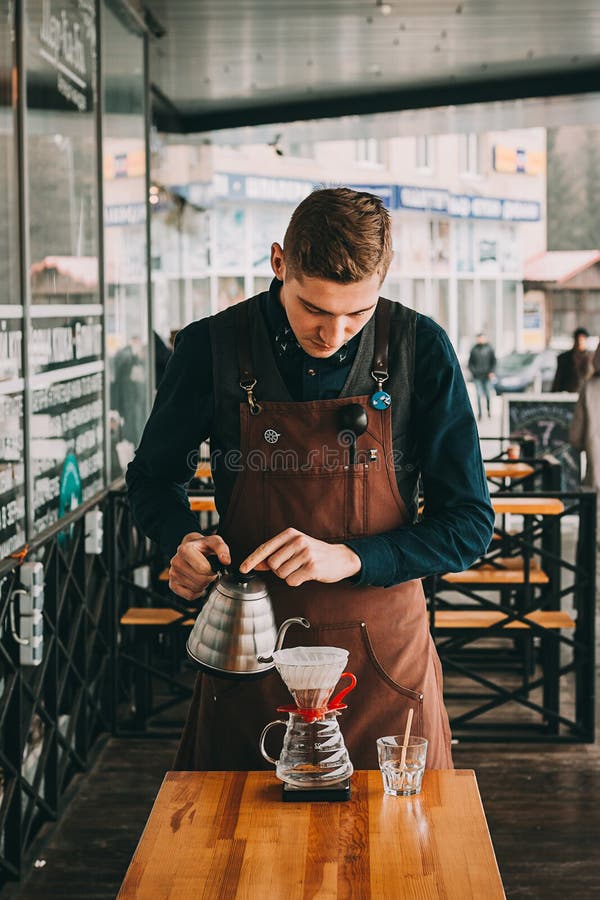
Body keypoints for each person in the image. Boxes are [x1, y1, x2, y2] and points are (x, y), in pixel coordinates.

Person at [126, 188, 494, 772]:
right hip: (251, 655)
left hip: (382, 668)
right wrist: (181, 540)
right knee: (236, 855)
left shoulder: (421, 348)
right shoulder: (210, 347)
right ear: (279, 263)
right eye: (315, 310)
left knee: (399, 857)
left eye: (358, 313)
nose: (335, 333)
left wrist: (351, 558)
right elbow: (150, 481)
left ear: (384, 278)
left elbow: (470, 526)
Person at [552, 327, 593, 393]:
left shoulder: (592, 358)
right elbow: (558, 379)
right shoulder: (564, 358)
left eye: (582, 340)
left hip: (587, 394)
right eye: (578, 340)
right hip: (568, 395)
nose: (580, 342)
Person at [467, 333, 496, 421]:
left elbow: (494, 361)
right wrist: (474, 372)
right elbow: (470, 363)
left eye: (482, 338)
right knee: (479, 395)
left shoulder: (489, 348)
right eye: (479, 338)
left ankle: (488, 411)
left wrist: (492, 372)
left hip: (487, 376)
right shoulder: (474, 349)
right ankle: (480, 414)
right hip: (477, 377)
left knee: (487, 394)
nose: (480, 340)